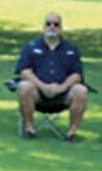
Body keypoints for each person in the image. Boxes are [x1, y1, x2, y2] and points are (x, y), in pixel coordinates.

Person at [15, 12, 88, 141]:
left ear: (61, 28)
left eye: (56, 24)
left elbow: (77, 75)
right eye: (48, 24)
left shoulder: (71, 49)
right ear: (44, 27)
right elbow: (24, 71)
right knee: (24, 86)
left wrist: (60, 88)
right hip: (37, 94)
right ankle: (30, 128)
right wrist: (43, 86)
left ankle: (72, 132)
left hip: (63, 95)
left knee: (81, 90)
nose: (52, 27)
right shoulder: (31, 47)